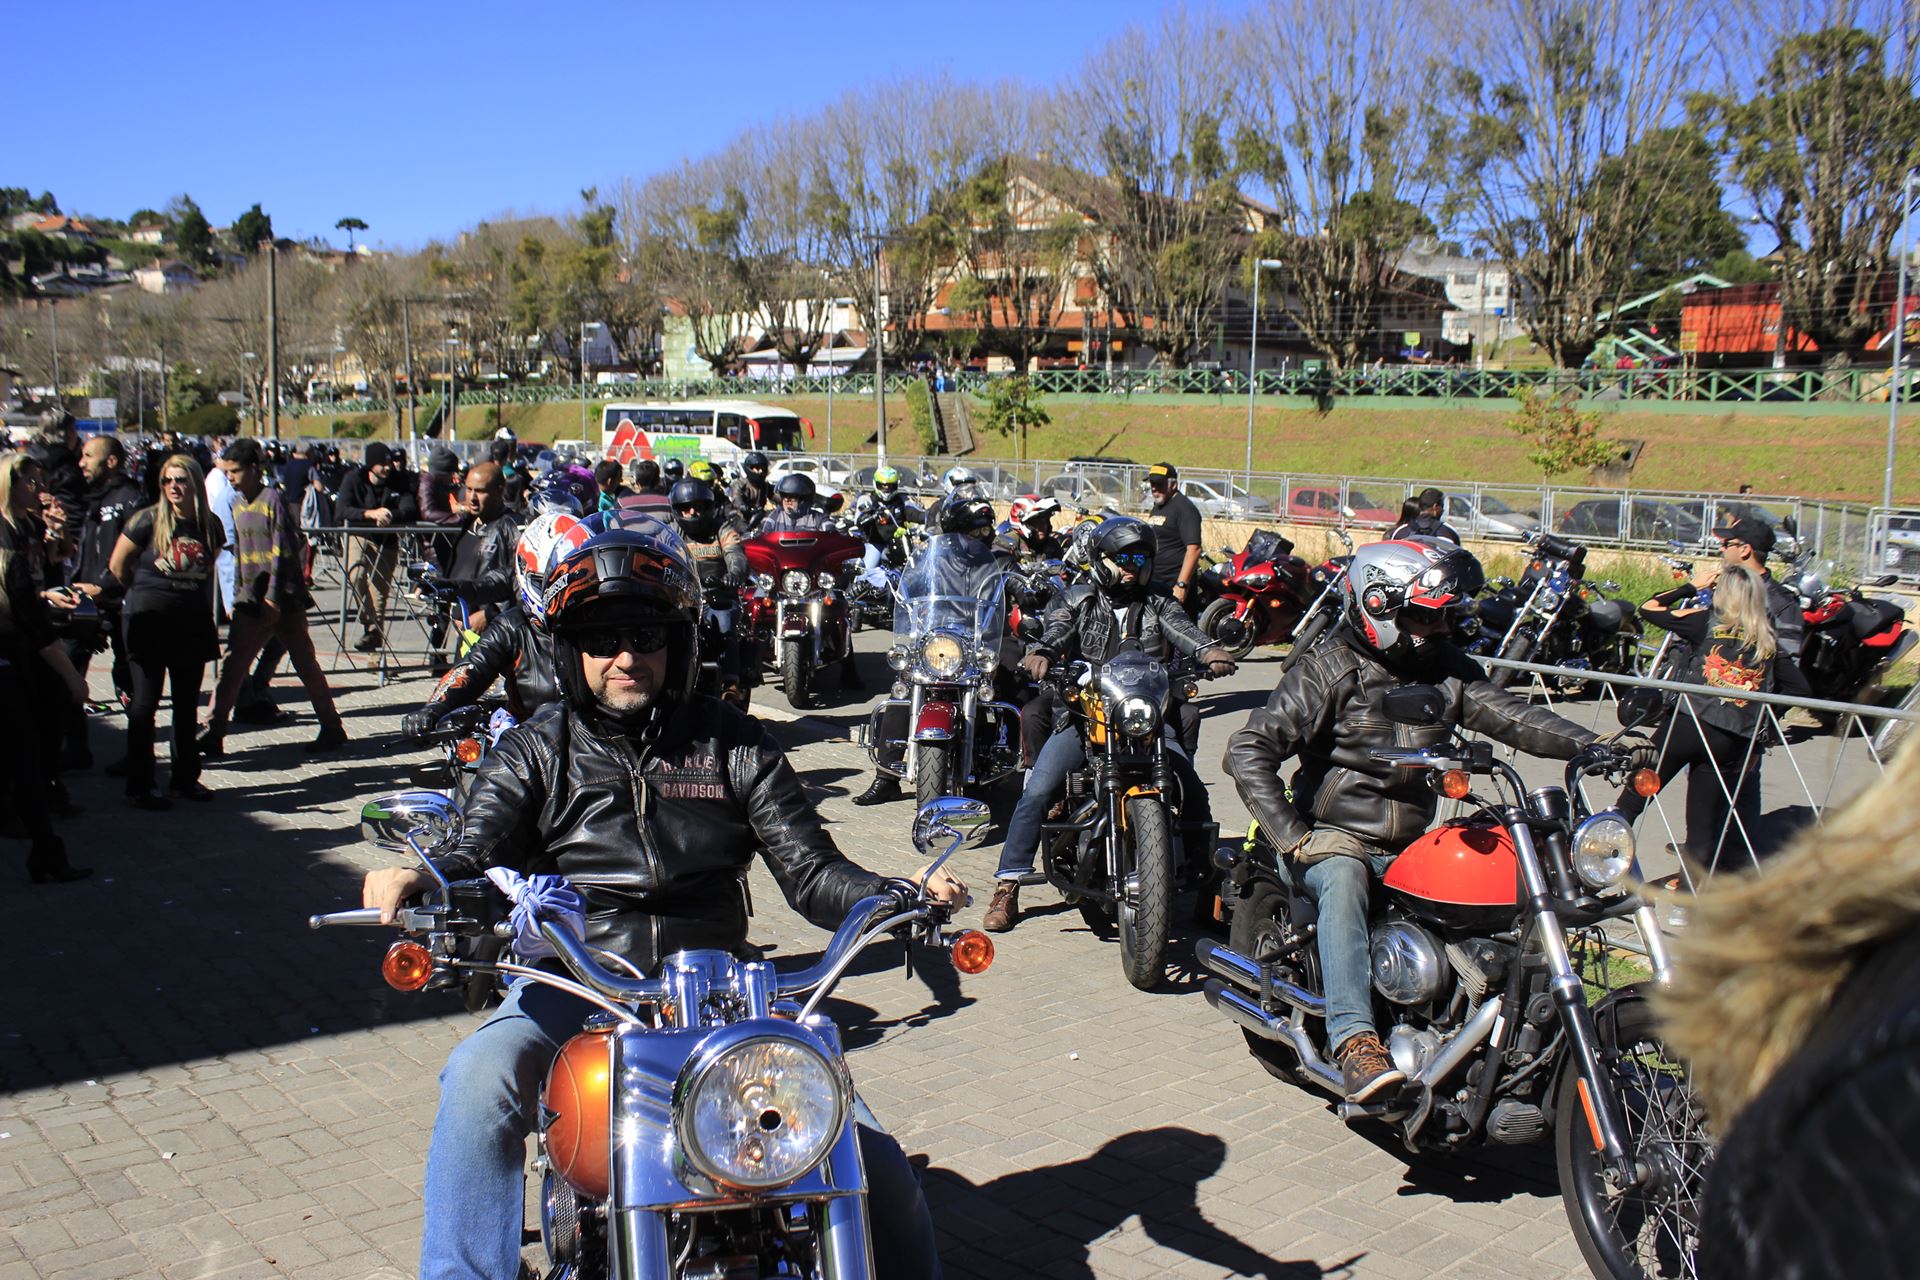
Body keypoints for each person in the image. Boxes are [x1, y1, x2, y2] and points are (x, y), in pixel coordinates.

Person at [361, 517, 962, 1280]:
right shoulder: (538, 748)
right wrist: (426, 874)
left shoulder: (734, 743)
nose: (625, 655)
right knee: (479, 1079)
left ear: (676, 644)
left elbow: (812, 874)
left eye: (646, 634)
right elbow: (474, 843)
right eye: (601, 635)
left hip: (720, 994)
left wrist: (899, 893)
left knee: (867, 1154)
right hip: (580, 983)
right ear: (569, 648)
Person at [1222, 537, 1636, 1102]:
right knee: (1344, 878)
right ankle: (1355, 1043)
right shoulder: (1329, 668)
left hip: (1411, 839)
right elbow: (1248, 750)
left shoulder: (1444, 669)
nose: (1439, 630)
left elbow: (1508, 714)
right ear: (1380, 607)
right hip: (1334, 837)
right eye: (1424, 617)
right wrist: (1295, 836)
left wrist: (1595, 745)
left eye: (1442, 618)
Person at [1660, 738, 1920, 1280]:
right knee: (1711, 829)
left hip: (1734, 750)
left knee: (1718, 830)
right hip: (1724, 746)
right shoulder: (1897, 1074)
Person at [983, 517, 1237, 931]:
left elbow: (1185, 630)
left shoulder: (1159, 602)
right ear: (1101, 560)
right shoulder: (1078, 598)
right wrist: (1044, 652)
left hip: (1146, 722)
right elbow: (1058, 630)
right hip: (1086, 718)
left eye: (1140, 558)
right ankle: (1008, 884)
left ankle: (1207, 890)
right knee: (1037, 791)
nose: (1133, 566)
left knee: (1192, 791)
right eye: (1123, 558)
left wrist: (1209, 652)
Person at [1618, 562, 1808, 880]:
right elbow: (1800, 689)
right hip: (1732, 739)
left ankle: (1592, 866)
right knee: (1702, 826)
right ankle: (1687, 901)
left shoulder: (1705, 621)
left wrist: (1693, 587)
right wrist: (1766, 716)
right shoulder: (1767, 641)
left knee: (1634, 797)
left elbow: (1650, 608)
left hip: (1687, 725)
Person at [199, 440, 349, 757]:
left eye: (236, 471)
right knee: (233, 668)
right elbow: (237, 553)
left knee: (305, 665)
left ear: (255, 469)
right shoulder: (237, 503)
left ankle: (332, 727)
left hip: (282, 600)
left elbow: (283, 551)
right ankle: (213, 731)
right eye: (227, 472)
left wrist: (273, 598)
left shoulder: (273, 500)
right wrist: (239, 594)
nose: (231, 478)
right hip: (250, 600)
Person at [109, 452, 225, 810]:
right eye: (167, 481)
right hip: (149, 621)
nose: (174, 487)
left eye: (181, 480)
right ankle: (140, 784)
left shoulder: (210, 524)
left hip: (190, 622)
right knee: (144, 704)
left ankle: (185, 779)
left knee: (186, 705)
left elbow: (210, 566)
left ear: (195, 483)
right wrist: (143, 594)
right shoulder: (147, 520)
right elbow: (118, 565)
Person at [401, 513, 583, 736]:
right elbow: (472, 668)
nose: (560, 594)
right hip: (528, 744)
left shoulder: (605, 622)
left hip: (593, 746)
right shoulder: (513, 626)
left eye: (573, 582)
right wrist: (434, 709)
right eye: (549, 582)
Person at [0, 454, 91, 883]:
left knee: (31, 748)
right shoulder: (3, 536)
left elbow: (52, 570)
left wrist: (59, 534)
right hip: (12, 652)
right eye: (32, 482)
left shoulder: (28, 526)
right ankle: (45, 848)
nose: (40, 490)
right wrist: (71, 674)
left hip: (23, 653)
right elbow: (23, 604)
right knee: (25, 754)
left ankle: (43, 844)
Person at [65, 435, 143, 766]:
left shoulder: (131, 500)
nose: (81, 463)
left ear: (110, 461)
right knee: (68, 671)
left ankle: (138, 755)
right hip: (86, 604)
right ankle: (76, 748)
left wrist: (105, 587)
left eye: (88, 456)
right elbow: (85, 552)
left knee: (130, 679)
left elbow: (137, 556)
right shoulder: (91, 500)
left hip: (123, 603)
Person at [335, 441, 419, 652]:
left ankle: (374, 645)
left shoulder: (399, 481)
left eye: (390, 462)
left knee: (379, 594)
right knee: (355, 574)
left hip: (387, 540)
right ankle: (369, 626)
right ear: (371, 464)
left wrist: (391, 515)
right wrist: (369, 514)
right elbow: (342, 510)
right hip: (359, 535)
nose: (388, 467)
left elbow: (410, 510)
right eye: (382, 463)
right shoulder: (353, 479)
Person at [668, 478, 747, 698]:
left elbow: (736, 554)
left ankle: (731, 684)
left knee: (724, 625)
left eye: (698, 507)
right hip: (683, 600)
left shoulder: (723, 529)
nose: (692, 512)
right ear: (677, 510)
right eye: (685, 508)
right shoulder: (671, 534)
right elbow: (658, 555)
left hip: (717, 598)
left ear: (708, 508)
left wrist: (734, 575)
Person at [435, 462, 518, 633]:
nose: (472, 497)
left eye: (480, 491)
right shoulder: (467, 522)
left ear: (499, 491)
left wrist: (489, 614)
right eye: (469, 489)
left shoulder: (512, 527)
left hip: (493, 631)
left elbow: (519, 580)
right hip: (463, 626)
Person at [1142, 462, 1203, 613]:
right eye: (1152, 484)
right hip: (1156, 582)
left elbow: (1194, 549)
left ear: (1173, 484)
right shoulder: (1159, 506)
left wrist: (1182, 585)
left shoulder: (1184, 509)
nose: (1154, 488)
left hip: (1173, 585)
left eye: (1159, 484)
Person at [1387, 487, 1462, 544]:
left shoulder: (1400, 532)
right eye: (1442, 506)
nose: (1443, 510)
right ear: (1435, 507)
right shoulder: (1448, 532)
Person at [760, 473, 832, 532]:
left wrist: (841, 530)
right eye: (784, 495)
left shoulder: (817, 518)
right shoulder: (774, 516)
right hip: (780, 550)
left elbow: (832, 534)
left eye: (792, 496)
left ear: (804, 499)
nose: (787, 500)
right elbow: (762, 537)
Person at [729, 450, 772, 525]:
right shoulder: (739, 484)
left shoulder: (765, 485)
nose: (761, 471)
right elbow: (737, 499)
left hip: (759, 518)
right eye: (757, 468)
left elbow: (777, 496)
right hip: (741, 518)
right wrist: (743, 507)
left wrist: (788, 496)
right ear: (749, 468)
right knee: (742, 532)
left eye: (762, 468)